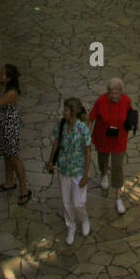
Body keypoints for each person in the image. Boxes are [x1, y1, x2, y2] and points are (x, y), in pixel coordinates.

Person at [46, 97, 92, 244]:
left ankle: (84, 220)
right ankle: (70, 226)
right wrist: (50, 161)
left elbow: (88, 152)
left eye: (65, 109)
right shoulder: (62, 125)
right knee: (66, 201)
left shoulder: (82, 129)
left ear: (72, 112)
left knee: (78, 202)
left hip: (78, 171)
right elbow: (56, 142)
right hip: (64, 169)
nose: (63, 112)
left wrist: (86, 174)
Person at [0, 59, 31, 203]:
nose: (0, 75)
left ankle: (24, 189)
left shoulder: (11, 93)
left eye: (3, 74)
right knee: (6, 155)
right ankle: (9, 182)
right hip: (1, 123)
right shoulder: (3, 81)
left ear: (9, 78)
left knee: (14, 157)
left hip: (9, 126)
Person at [88, 77, 135, 216]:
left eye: (116, 92)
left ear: (121, 92)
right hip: (103, 138)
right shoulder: (101, 101)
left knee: (117, 167)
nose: (114, 95)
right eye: (111, 92)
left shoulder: (126, 101)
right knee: (102, 160)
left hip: (119, 139)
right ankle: (103, 174)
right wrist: (87, 135)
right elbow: (91, 118)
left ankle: (118, 197)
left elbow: (130, 114)